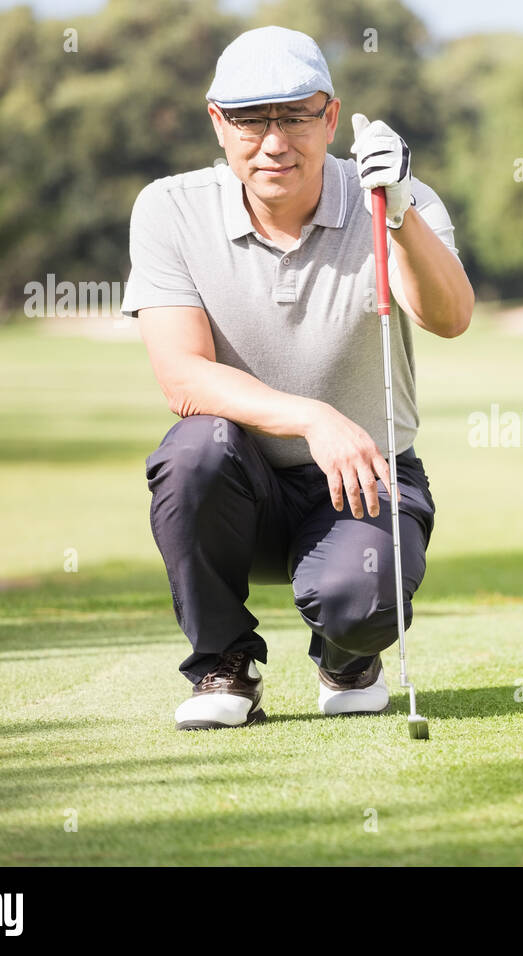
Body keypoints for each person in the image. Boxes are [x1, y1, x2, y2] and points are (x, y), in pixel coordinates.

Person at [120, 26, 473, 730]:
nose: (274, 141)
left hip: (367, 476)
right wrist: (313, 417)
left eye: (295, 115)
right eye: (251, 119)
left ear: (331, 117)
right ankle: (224, 664)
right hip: (239, 479)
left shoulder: (395, 197)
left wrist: (398, 212)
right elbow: (183, 377)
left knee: (361, 599)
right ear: (218, 123)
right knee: (192, 449)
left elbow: (449, 317)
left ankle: (346, 657)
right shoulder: (169, 207)